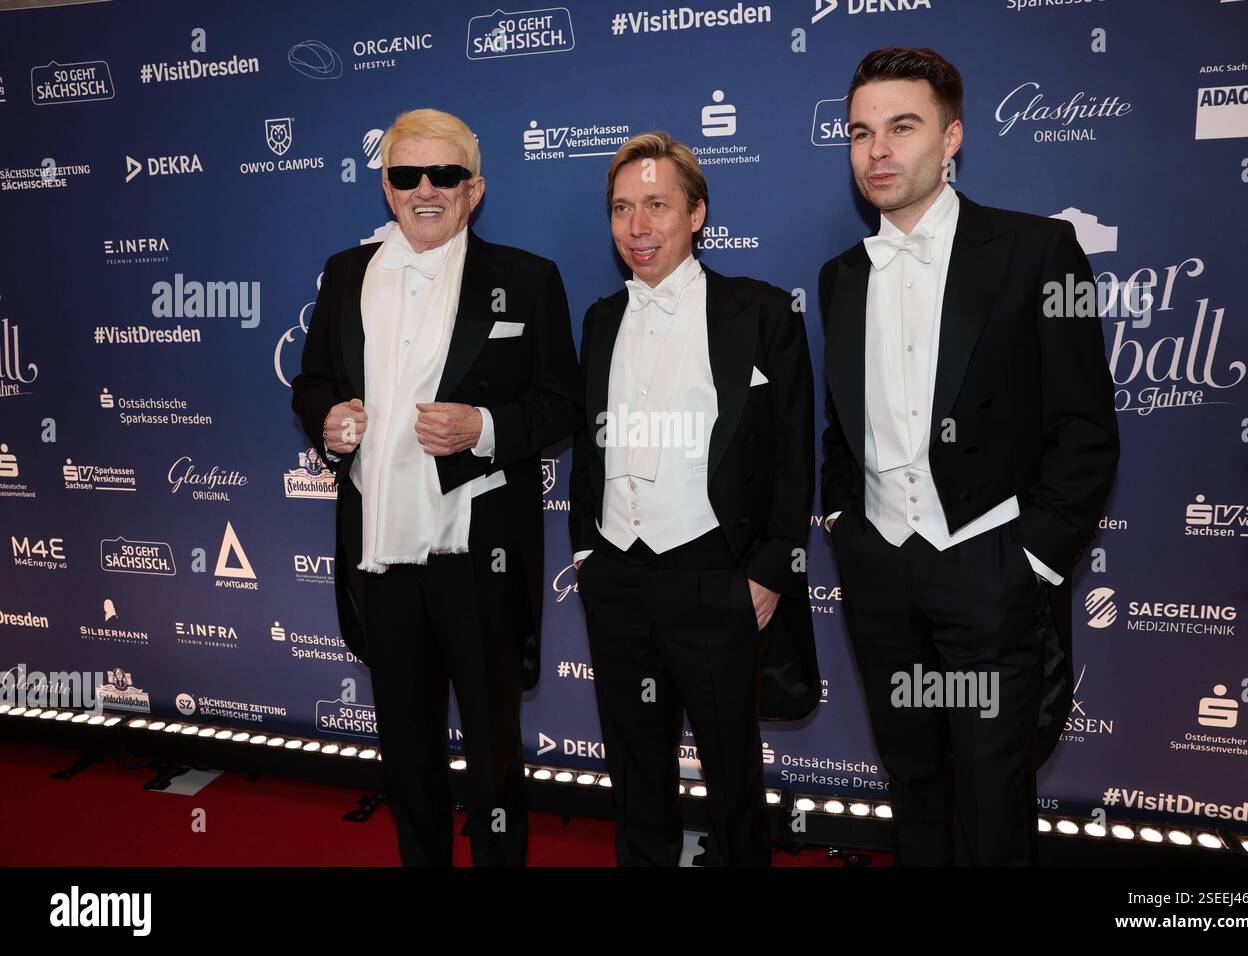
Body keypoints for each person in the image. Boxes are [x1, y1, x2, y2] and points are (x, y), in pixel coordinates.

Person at [819, 48, 1120, 865]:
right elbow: (844, 426)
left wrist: (1031, 561)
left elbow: (1085, 429)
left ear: (952, 138)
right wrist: (846, 522)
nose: (876, 150)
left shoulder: (1035, 252)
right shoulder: (841, 275)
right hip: (880, 567)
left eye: (902, 127)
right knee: (913, 783)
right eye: (859, 132)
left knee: (992, 799)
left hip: (989, 565)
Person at [291, 108, 581, 866]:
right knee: (406, 750)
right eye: (405, 174)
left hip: (476, 557)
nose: (425, 189)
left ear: (475, 188)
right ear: (385, 187)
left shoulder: (526, 278)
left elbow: (562, 402)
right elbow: (312, 380)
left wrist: (482, 427)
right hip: (379, 556)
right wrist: (328, 418)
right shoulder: (344, 273)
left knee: (492, 754)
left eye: (445, 174)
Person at [569, 131, 818, 866]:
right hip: (616, 575)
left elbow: (793, 451)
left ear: (698, 213)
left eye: (656, 206)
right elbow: (589, 446)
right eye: (621, 208)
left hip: (716, 576)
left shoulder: (762, 312)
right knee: (636, 771)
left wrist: (771, 569)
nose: (637, 228)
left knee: (732, 776)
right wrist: (586, 550)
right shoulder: (600, 319)